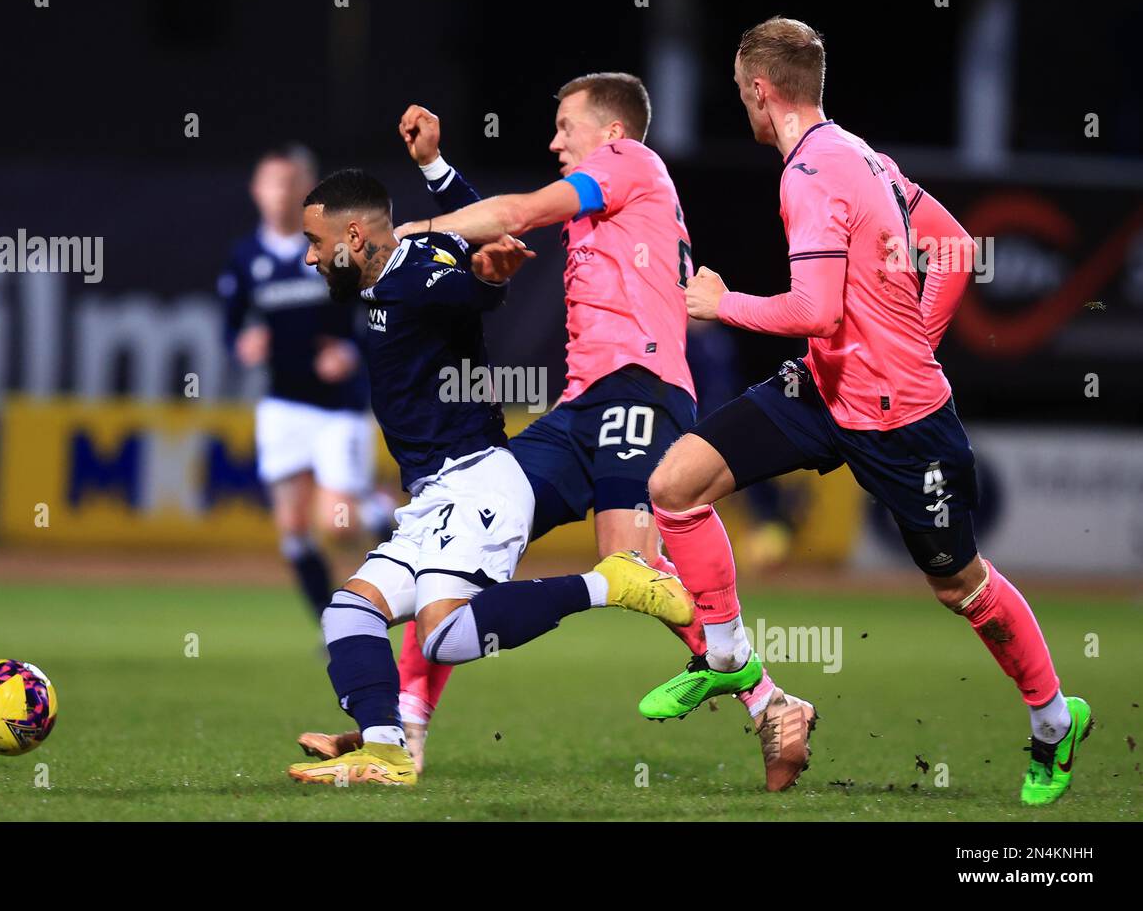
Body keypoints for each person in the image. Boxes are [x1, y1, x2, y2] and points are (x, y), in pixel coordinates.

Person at [298, 75, 812, 790]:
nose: (554, 140)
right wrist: (437, 171)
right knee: (458, 539)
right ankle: (398, 735)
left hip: (643, 388)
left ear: (611, 133)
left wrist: (413, 232)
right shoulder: (601, 204)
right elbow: (501, 224)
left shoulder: (633, 165)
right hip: (578, 410)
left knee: (627, 565)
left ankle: (765, 697)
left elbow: (518, 211)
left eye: (565, 125)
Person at [643, 17, 1091, 805]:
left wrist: (721, 302)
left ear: (759, 90)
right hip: (823, 388)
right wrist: (919, 333)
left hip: (901, 419)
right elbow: (953, 245)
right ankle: (725, 657)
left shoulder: (811, 175)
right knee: (675, 488)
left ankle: (1055, 721)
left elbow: (816, 308)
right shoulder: (862, 154)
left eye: (740, 93)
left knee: (962, 588)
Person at [287, 169, 693, 786]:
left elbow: (470, 289)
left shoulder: (425, 281)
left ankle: (608, 584)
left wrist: (488, 276)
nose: (310, 256)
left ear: (352, 234)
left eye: (316, 241)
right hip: (431, 496)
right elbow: (473, 226)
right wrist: (436, 172)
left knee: (444, 634)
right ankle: (384, 749)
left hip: (477, 482)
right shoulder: (418, 254)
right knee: (347, 614)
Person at [217, 146, 391, 621]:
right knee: (293, 527)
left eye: (290, 185)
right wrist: (242, 342)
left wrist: (350, 351)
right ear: (257, 191)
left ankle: (381, 511)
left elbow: (373, 311)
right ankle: (329, 621)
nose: (280, 194)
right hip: (282, 404)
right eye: (272, 183)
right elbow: (230, 324)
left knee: (338, 526)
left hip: (338, 405)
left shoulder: (334, 249)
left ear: (305, 193)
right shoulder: (245, 257)